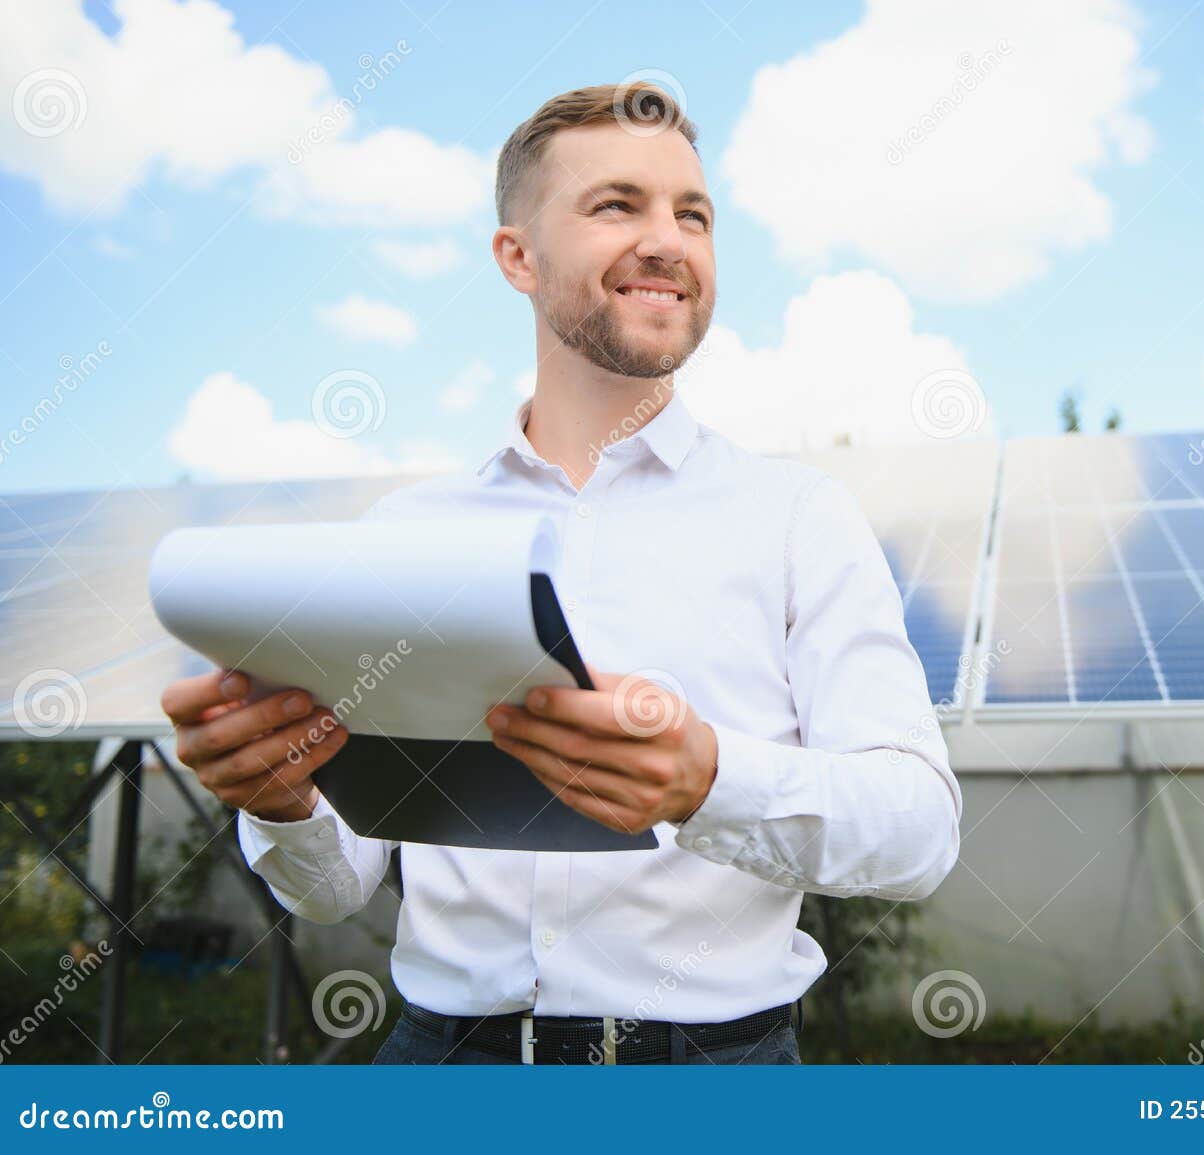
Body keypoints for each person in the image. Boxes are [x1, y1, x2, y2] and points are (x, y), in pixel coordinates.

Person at [158, 81, 962, 1066]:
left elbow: (918, 835)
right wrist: (280, 804)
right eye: (617, 204)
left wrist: (708, 781)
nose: (668, 240)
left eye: (693, 214)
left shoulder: (798, 518)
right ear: (517, 255)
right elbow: (335, 887)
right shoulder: (407, 535)